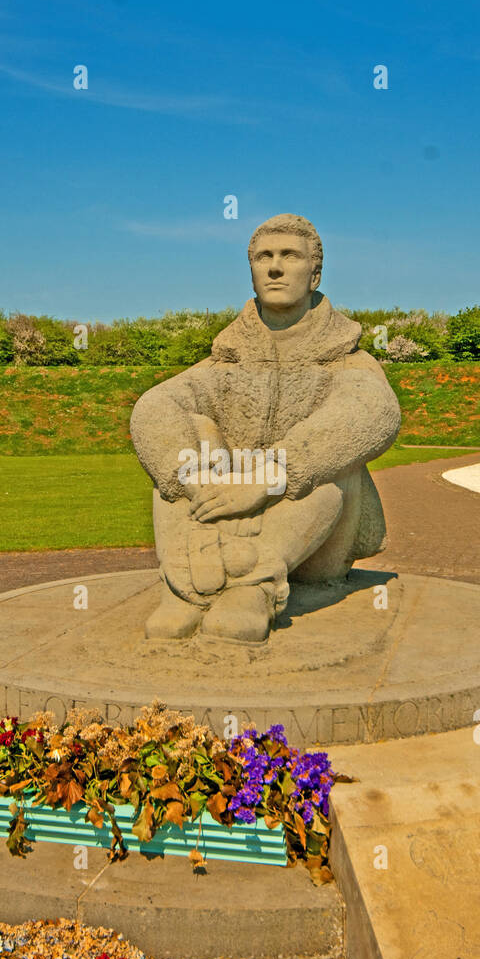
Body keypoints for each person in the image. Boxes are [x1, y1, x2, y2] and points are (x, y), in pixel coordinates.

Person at [129, 214, 401, 642]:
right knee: (189, 434)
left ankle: (252, 587)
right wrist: (195, 481)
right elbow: (156, 406)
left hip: (313, 541)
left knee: (332, 459)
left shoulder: (346, 360)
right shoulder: (226, 361)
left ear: (314, 274)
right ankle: (187, 586)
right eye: (264, 257)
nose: (275, 267)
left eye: (289, 256)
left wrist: (271, 477)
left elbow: (372, 411)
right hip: (218, 516)